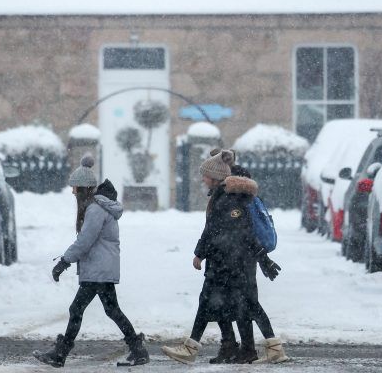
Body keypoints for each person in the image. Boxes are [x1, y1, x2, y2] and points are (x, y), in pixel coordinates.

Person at [33, 156, 149, 368]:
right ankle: (137, 349)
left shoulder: (95, 209)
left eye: (75, 188)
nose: (72, 192)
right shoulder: (98, 207)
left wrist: (64, 261)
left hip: (98, 269)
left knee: (77, 309)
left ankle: (61, 354)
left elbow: (85, 240)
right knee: (111, 310)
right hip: (101, 268)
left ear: (84, 189)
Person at [162, 149, 260, 364]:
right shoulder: (221, 196)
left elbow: (216, 231)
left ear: (215, 177)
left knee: (221, 303)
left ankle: (203, 348)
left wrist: (200, 253)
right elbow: (214, 230)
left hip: (227, 263)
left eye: (206, 175)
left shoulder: (227, 199)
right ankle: (231, 347)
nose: (203, 179)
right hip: (225, 261)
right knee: (220, 304)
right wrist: (203, 252)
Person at [229, 164, 289, 364]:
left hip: (242, 260)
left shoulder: (238, 204)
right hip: (247, 259)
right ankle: (248, 349)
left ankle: (273, 348)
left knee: (250, 305)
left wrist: (264, 260)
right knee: (243, 305)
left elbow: (246, 235)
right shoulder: (249, 200)